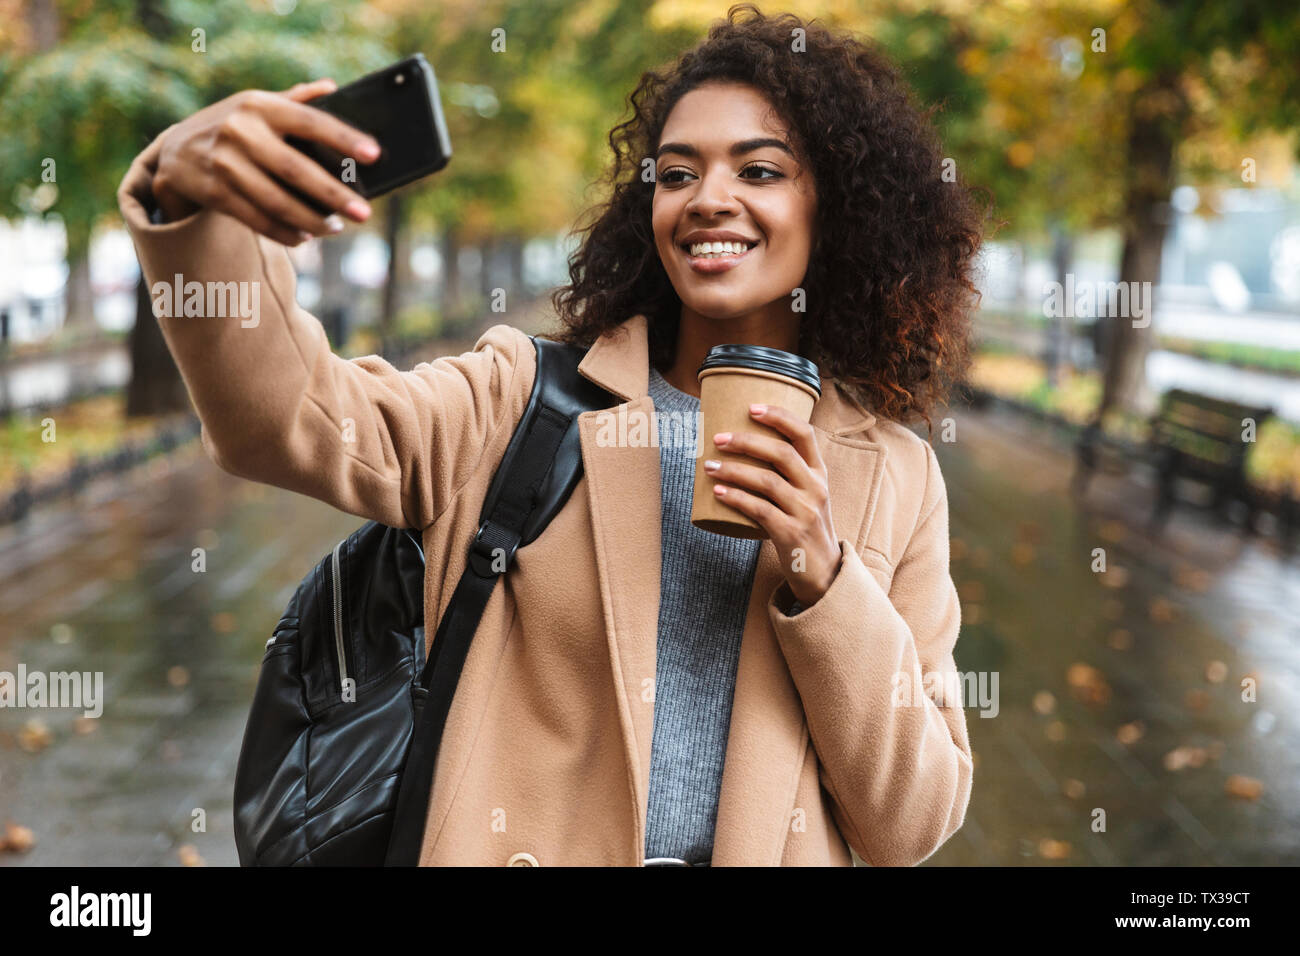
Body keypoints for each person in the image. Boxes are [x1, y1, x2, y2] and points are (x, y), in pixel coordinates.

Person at [116, 4, 986, 866]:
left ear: (838, 207)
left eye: (759, 171)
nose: (708, 199)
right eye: (676, 174)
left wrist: (824, 575)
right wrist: (190, 204)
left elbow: (908, 823)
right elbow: (282, 423)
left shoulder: (897, 477)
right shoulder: (520, 402)